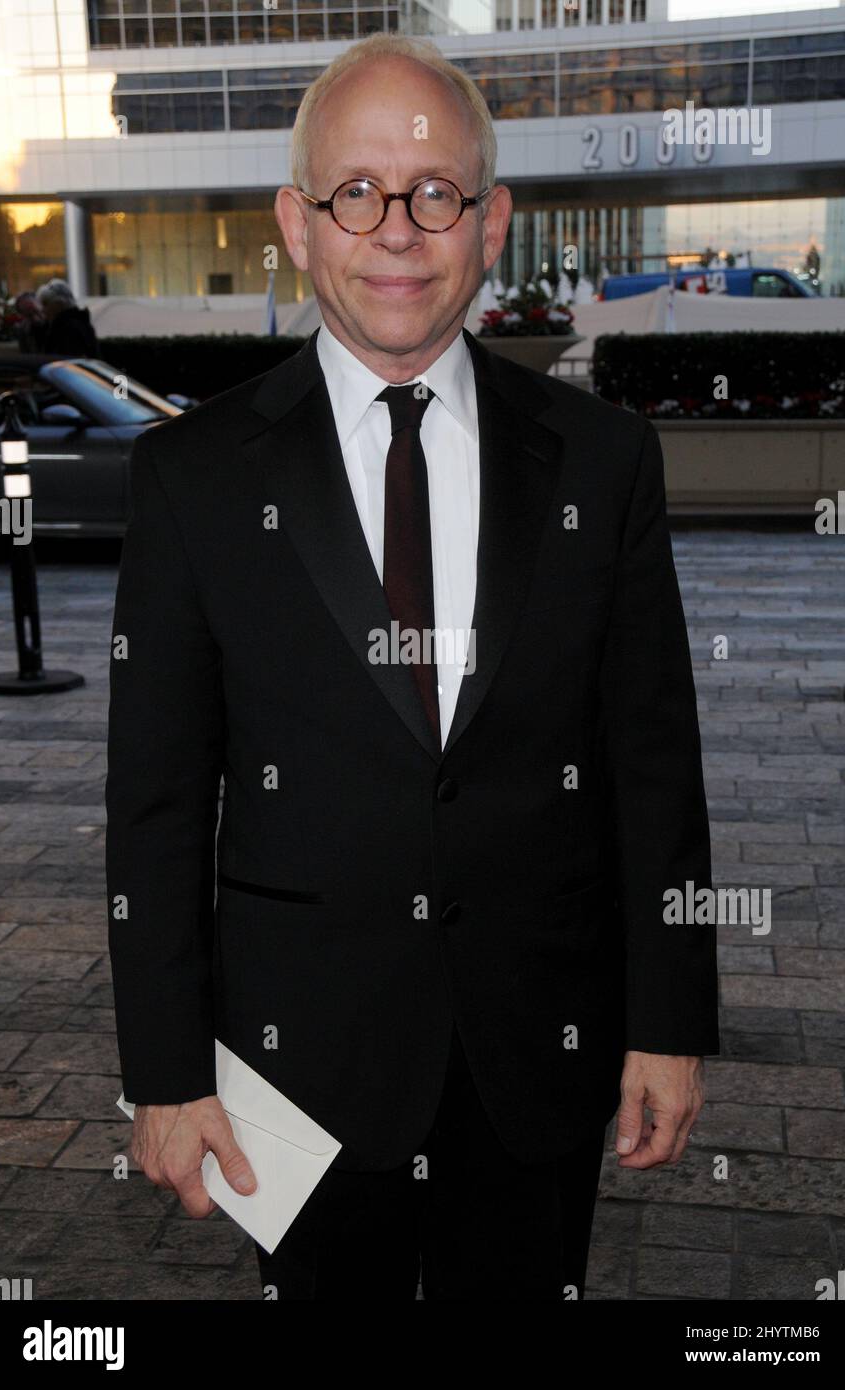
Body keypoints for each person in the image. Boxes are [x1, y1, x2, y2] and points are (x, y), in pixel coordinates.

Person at [106, 32, 719, 1302]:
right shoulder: (194, 478)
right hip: (299, 1074)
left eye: (436, 192)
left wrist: (669, 1019)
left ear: (491, 225)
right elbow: (157, 805)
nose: (398, 227)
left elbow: (651, 765)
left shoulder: (603, 462)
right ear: (298, 222)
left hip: (539, 1057)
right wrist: (165, 1072)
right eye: (358, 192)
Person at [35, 278, 99, 356]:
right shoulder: (78, 323)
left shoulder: (68, 328)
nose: (42, 310)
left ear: (58, 304)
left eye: (45, 304)